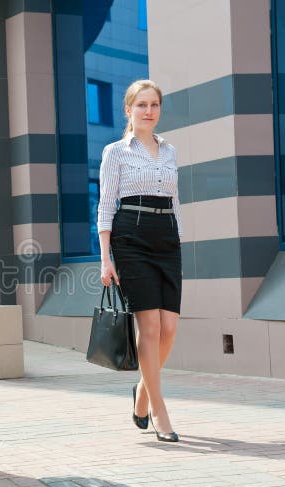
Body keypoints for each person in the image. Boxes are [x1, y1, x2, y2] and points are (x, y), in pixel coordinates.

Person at [97, 79, 182, 443]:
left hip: (167, 237)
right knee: (149, 327)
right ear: (128, 110)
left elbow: (175, 201)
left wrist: (177, 240)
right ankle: (159, 411)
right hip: (130, 236)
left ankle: (143, 393)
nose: (149, 111)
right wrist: (106, 258)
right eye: (141, 105)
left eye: (154, 105)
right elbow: (105, 205)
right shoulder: (115, 152)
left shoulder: (170, 151)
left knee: (169, 328)